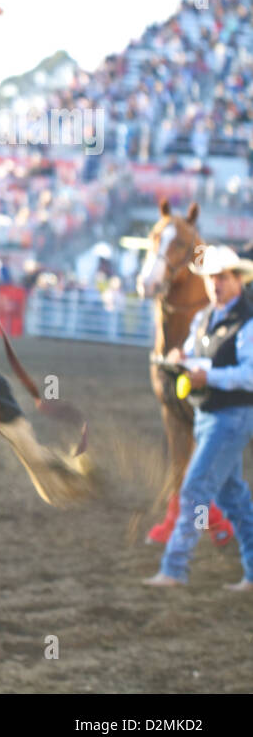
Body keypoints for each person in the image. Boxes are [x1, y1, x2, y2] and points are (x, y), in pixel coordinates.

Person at [144, 245, 253, 590]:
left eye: (221, 278)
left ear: (238, 280)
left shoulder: (247, 322)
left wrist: (211, 377)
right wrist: (180, 356)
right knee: (232, 497)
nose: (214, 285)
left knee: (195, 488)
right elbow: (191, 351)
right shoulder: (205, 318)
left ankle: (174, 568)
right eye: (210, 278)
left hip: (231, 416)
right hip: (209, 414)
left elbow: (250, 374)